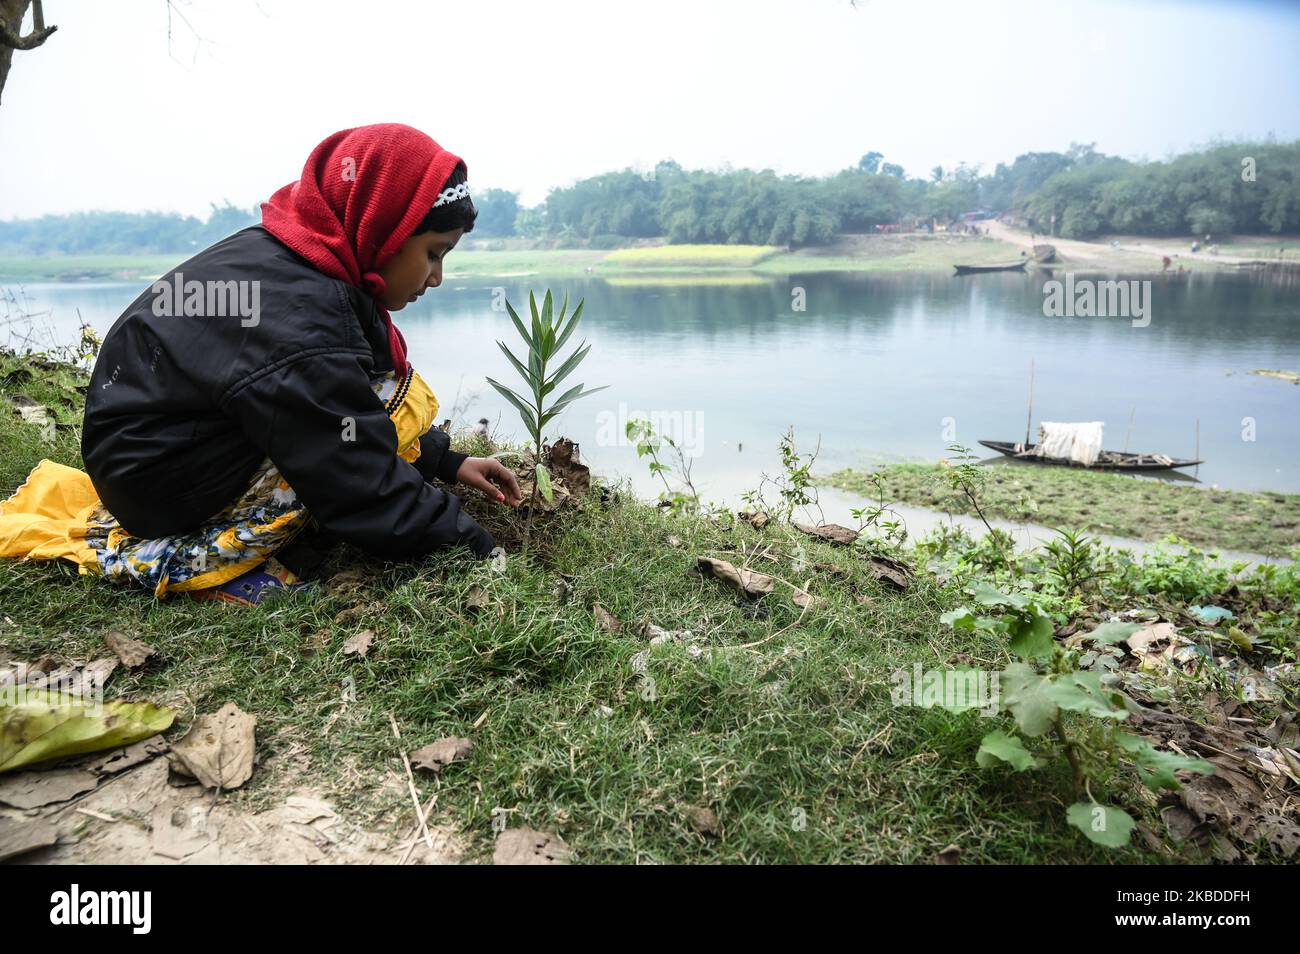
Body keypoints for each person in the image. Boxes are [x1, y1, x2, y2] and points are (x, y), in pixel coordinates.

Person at [1, 124, 522, 604]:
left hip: (158, 450)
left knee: (384, 391)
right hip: (163, 489)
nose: (436, 277)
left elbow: (352, 399)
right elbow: (354, 474)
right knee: (335, 453)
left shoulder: (301, 257)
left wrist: (443, 463)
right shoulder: (300, 321)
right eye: (434, 252)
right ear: (384, 226)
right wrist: (477, 548)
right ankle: (213, 561)